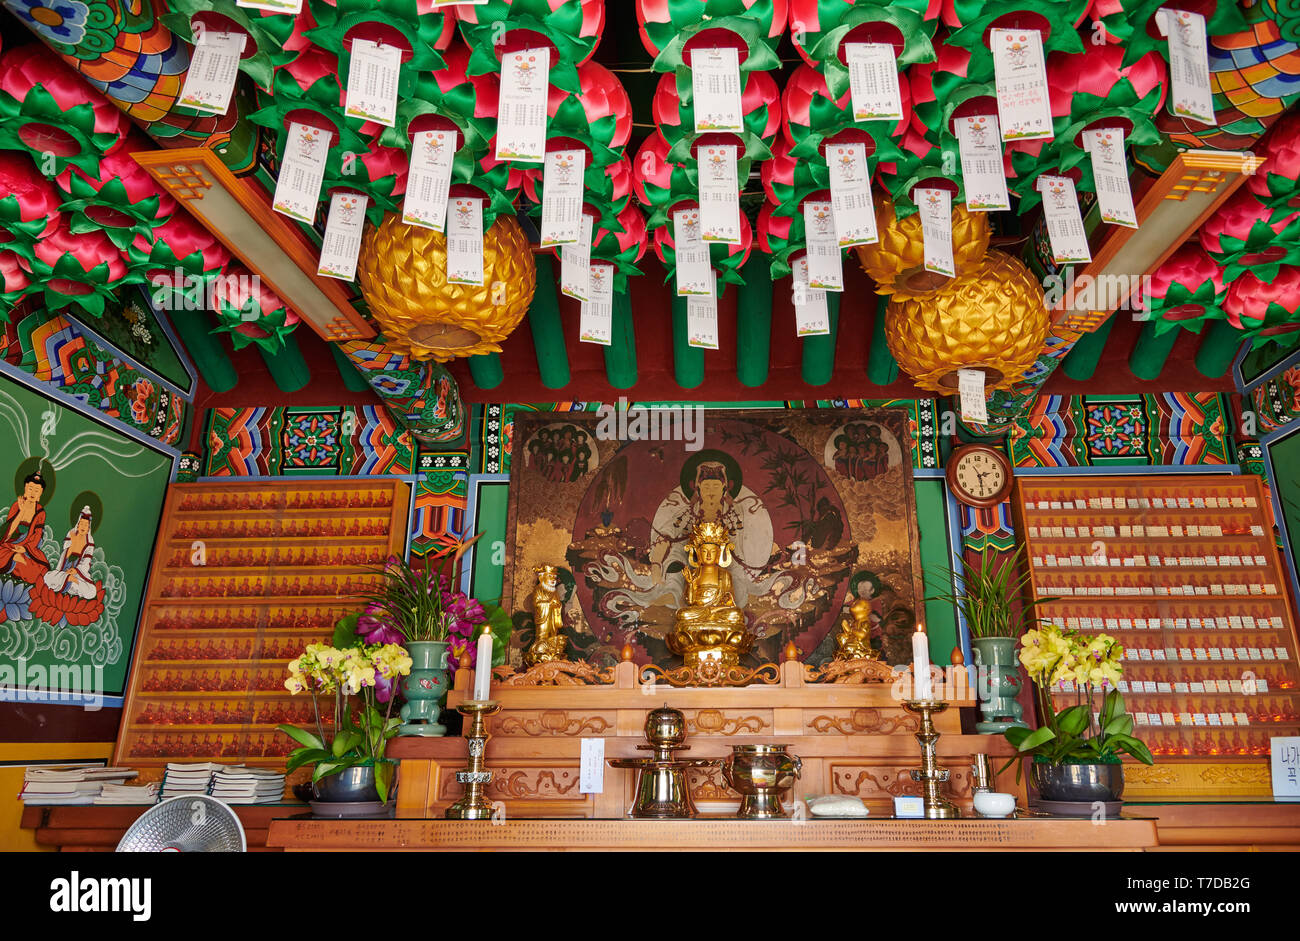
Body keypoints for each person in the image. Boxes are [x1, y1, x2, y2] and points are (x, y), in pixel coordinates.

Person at [0, 472, 51, 585]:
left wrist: (25, 549)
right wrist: (22, 511)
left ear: (41, 493)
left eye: (36, 490)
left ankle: (17, 560)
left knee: (38, 571)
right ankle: (15, 559)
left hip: (29, 547)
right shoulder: (16, 505)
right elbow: (8, 533)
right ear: (25, 488)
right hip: (10, 544)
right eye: (30, 488)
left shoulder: (40, 512)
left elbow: (37, 536)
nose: (32, 493)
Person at [42, 506, 101, 602]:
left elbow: (86, 563)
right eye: (81, 524)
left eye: (86, 525)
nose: (83, 527)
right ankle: (68, 581)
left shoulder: (89, 543)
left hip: (78, 574)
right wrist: (74, 544)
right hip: (65, 570)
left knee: (92, 591)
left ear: (89, 528)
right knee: (47, 577)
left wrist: (76, 571)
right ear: (77, 524)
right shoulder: (71, 534)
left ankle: (71, 582)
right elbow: (64, 557)